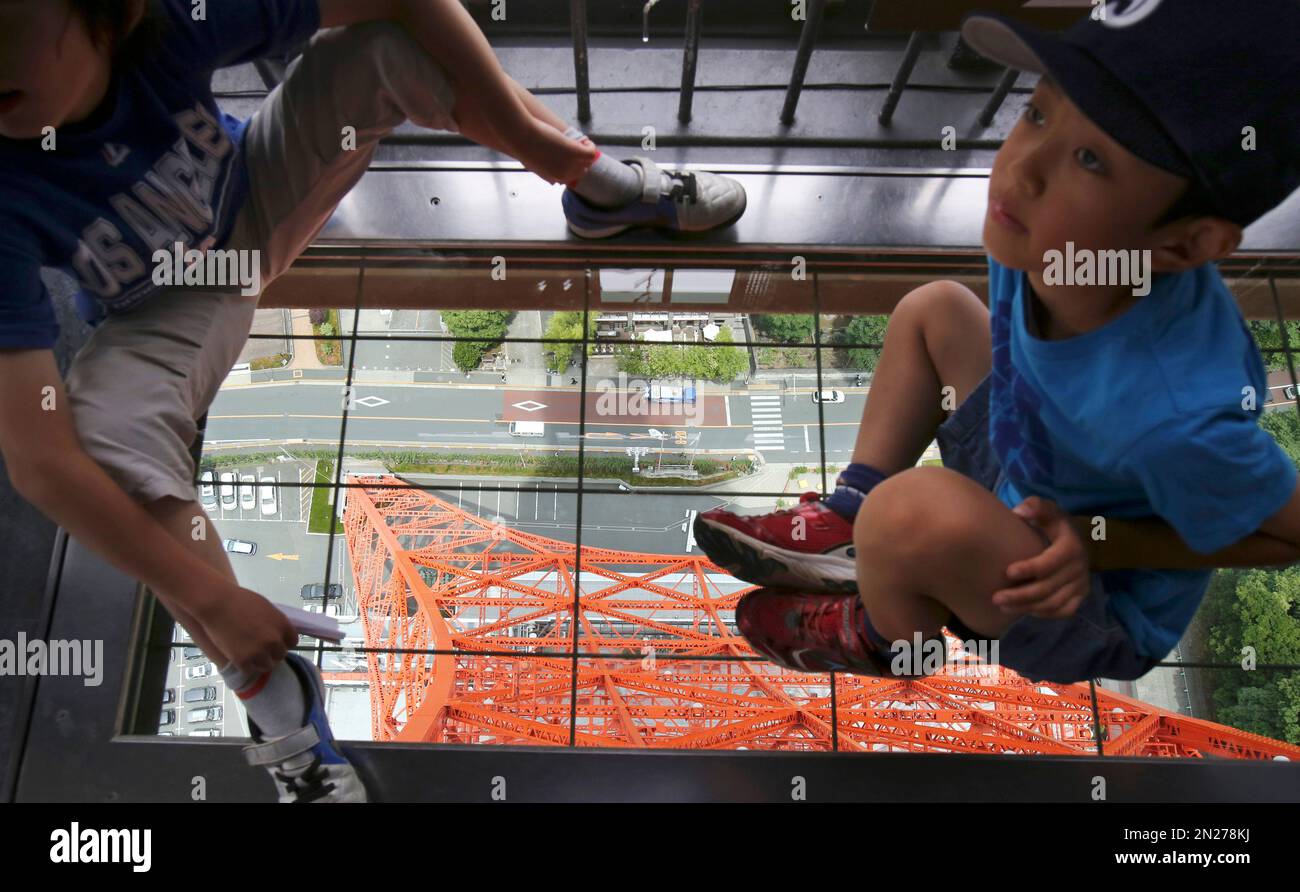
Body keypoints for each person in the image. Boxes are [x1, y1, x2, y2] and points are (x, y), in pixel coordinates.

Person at [0, 0, 746, 803]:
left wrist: (537, 146)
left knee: (383, 50)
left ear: (105, 15)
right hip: (164, 306)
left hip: (260, 191)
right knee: (103, 452)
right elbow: (40, 460)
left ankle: (597, 184)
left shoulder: (176, 22)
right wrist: (220, 599)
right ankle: (280, 709)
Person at [695, 0, 1300, 684]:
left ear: (1187, 243)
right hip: (1028, 465)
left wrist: (1100, 543)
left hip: (1080, 597)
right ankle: (849, 523)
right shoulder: (1042, 240)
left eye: (1092, 160)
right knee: (937, 311)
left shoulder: (1174, 417)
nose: (1022, 168)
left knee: (911, 511)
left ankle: (888, 635)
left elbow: (1287, 534)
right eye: (1038, 112)